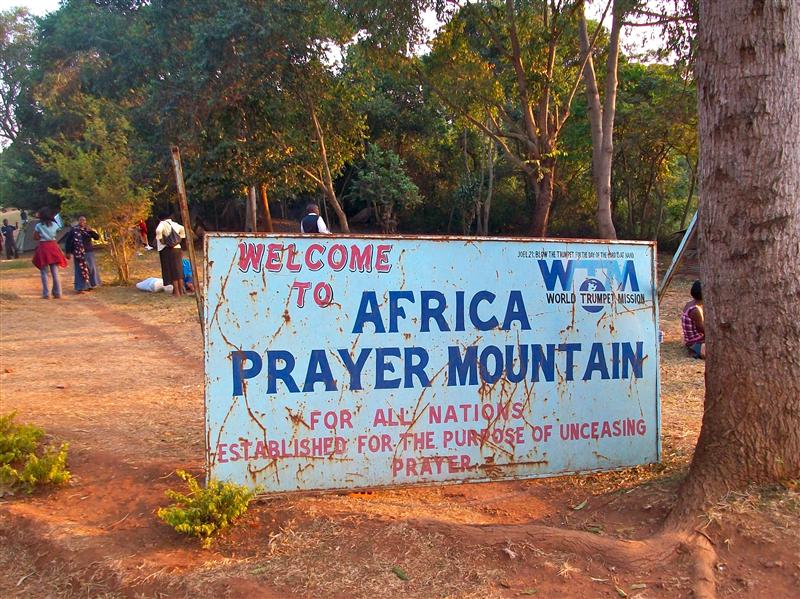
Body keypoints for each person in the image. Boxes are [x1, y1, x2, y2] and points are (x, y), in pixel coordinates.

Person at [31, 207, 67, 299]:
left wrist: (41, 236)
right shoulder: (55, 225)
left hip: (43, 247)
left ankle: (46, 294)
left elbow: (35, 237)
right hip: (53, 246)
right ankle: (58, 293)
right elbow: (57, 234)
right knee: (55, 271)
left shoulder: (39, 226)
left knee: (44, 272)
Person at [64, 216, 101, 293]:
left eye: (84, 220)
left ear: (85, 221)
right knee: (80, 269)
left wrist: (91, 231)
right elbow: (68, 241)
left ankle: (90, 285)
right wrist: (68, 252)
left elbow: (97, 237)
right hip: (78, 253)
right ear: (78, 221)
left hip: (88, 252)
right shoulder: (74, 230)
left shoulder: (87, 230)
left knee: (91, 269)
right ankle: (80, 287)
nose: (82, 221)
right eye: (80, 220)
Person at [155, 212, 186, 296]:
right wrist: (180, 239)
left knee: (172, 271)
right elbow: (183, 228)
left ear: (160, 218)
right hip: (178, 248)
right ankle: (182, 290)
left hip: (169, 250)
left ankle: (176, 292)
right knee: (179, 269)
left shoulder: (162, 223)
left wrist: (161, 240)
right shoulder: (175, 224)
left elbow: (158, 230)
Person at [681, 280, 705, 359]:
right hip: (695, 342)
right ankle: (695, 351)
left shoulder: (690, 303)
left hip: (690, 339)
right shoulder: (695, 310)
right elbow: (702, 329)